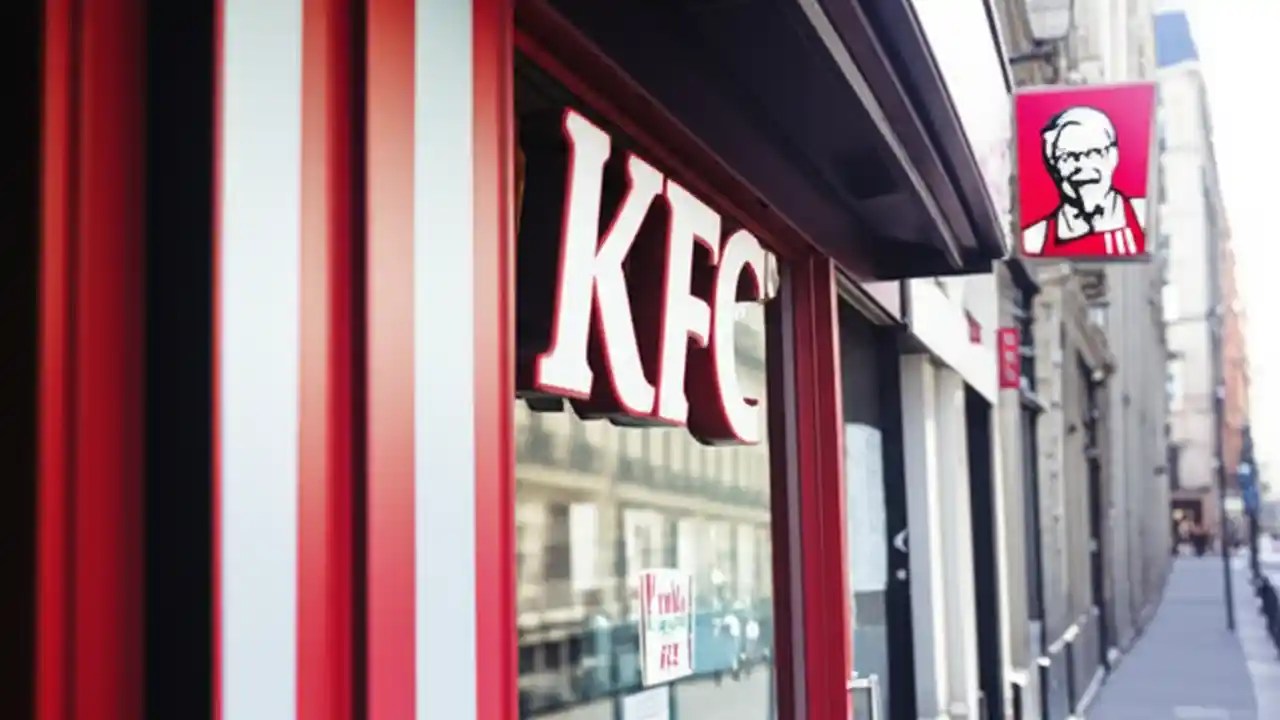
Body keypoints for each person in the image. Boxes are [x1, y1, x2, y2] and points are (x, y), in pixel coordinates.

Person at [1022, 106, 1146, 258]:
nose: (1082, 165)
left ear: (1113, 156)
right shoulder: (1033, 241)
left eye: (1094, 153)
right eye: (1068, 157)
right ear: (1054, 165)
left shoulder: (1144, 215)